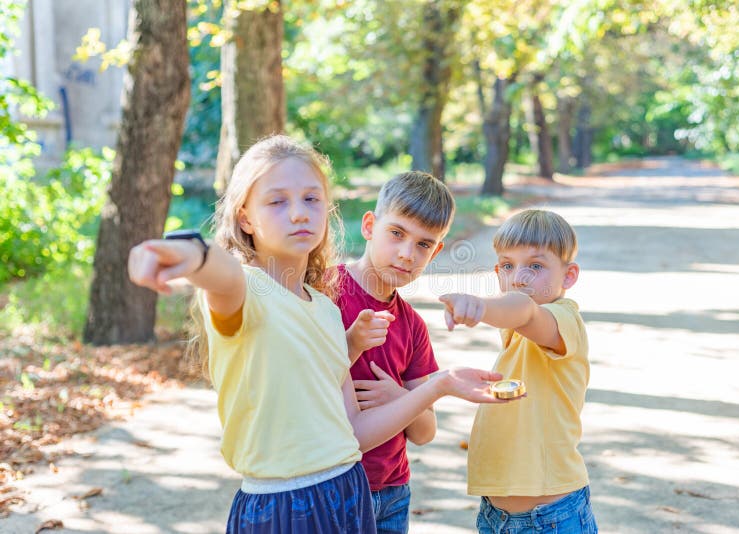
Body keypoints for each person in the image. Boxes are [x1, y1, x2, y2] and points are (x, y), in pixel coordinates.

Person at [127, 135, 509, 534]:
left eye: (311, 199)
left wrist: (440, 385)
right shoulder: (246, 293)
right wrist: (190, 253)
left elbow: (355, 433)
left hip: (350, 491)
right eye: (277, 201)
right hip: (283, 505)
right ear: (245, 218)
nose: (298, 214)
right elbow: (222, 275)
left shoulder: (325, 308)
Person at [439, 209, 598, 534]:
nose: (519, 277)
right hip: (496, 517)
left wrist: (481, 307)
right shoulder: (513, 334)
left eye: (535, 266)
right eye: (508, 266)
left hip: (551, 517)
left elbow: (524, 311)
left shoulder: (562, 319)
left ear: (568, 276)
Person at [338, 171, 454, 534]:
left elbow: (424, 433)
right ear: (370, 225)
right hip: (333, 485)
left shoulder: (413, 326)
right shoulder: (323, 294)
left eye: (423, 244)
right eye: (397, 234)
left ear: (435, 251)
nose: (407, 254)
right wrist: (349, 343)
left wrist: (400, 397)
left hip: (392, 492)